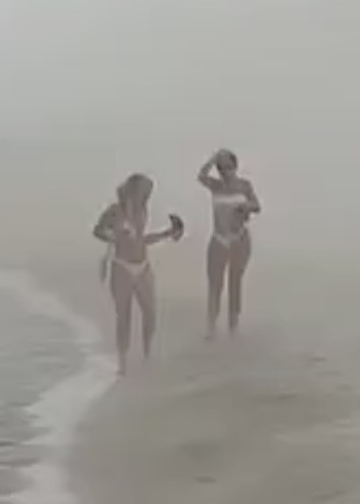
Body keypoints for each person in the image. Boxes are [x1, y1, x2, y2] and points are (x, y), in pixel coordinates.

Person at [93, 174, 184, 373]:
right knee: (123, 316)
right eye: (145, 191)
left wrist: (167, 233)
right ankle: (122, 362)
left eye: (148, 193)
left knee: (150, 313)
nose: (148, 195)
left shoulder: (143, 211)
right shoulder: (114, 211)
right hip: (122, 266)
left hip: (142, 265)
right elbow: (97, 231)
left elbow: (142, 240)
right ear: (133, 190)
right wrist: (114, 235)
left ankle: (147, 354)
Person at [197, 149, 262, 339]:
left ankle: (233, 326)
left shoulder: (244, 186)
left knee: (235, 282)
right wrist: (212, 158)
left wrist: (246, 207)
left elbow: (257, 206)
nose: (226, 171)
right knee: (215, 284)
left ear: (236, 167)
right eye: (222, 168)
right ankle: (211, 327)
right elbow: (201, 176)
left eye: (229, 167)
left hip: (239, 239)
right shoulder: (215, 185)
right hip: (219, 239)